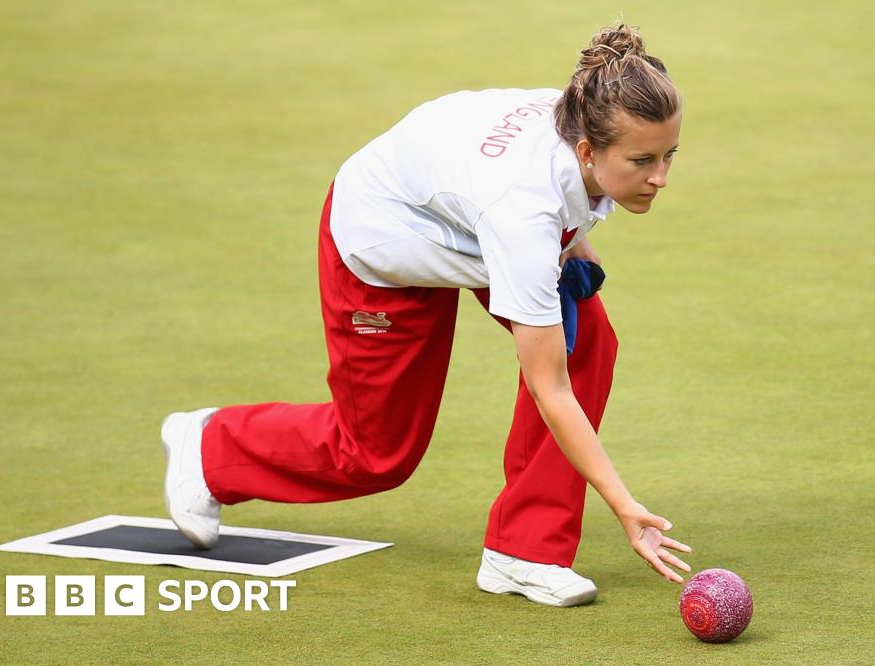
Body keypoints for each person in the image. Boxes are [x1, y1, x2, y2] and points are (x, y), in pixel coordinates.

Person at [160, 22, 690, 607]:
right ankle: (211, 448)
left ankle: (525, 551)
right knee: (376, 454)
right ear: (588, 151)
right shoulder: (523, 208)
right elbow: (551, 389)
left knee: (585, 336)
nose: (661, 177)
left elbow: (560, 209)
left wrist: (573, 244)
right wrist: (624, 504)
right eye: (642, 161)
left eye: (669, 155)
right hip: (383, 239)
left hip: (464, 222)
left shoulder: (590, 111)